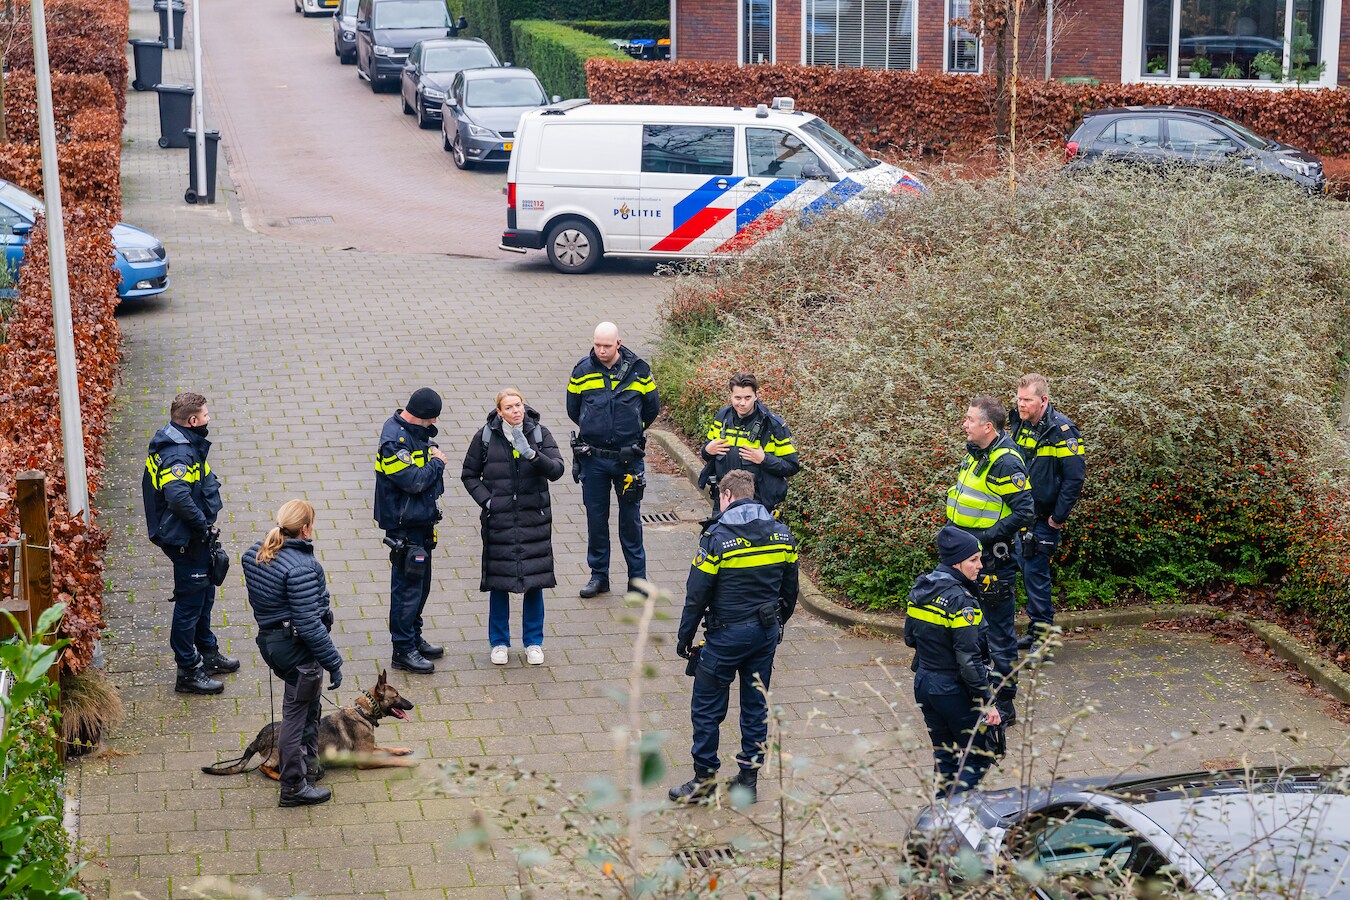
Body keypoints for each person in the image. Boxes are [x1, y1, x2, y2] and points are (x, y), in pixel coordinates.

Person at [669, 470, 799, 805]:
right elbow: (790, 590)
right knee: (756, 706)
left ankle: (704, 782)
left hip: (725, 636)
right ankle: (747, 781)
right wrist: (774, 625)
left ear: (726, 496)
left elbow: (697, 594)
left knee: (707, 708)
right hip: (765, 634)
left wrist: (685, 637)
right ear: (751, 494)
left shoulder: (717, 538)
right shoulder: (783, 535)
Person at [242, 500, 342, 808]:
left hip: (272, 644)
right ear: (306, 528)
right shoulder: (303, 567)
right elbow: (310, 625)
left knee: (309, 706)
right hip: (297, 651)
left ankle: (309, 766)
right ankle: (293, 787)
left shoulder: (255, 553)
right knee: (295, 719)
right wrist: (333, 663)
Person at [460, 389, 566, 667]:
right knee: (499, 582)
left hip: (534, 518)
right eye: (509, 407)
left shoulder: (539, 432)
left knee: (534, 582)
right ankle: (499, 643)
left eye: (518, 405)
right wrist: (488, 502)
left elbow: (556, 470)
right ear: (499, 412)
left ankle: (533, 642)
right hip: (500, 520)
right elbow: (469, 474)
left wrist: (532, 455)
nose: (516, 411)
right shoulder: (485, 436)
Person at [141, 391, 238, 695]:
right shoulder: (179, 454)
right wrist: (201, 526)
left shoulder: (180, 441)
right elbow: (178, 496)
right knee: (190, 603)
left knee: (205, 593)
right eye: (206, 415)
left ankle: (207, 653)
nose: (209, 419)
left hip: (193, 535)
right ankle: (188, 671)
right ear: (193, 420)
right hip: (186, 537)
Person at [945, 396, 1033, 725]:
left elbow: (1025, 511)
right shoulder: (977, 454)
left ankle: (1005, 705)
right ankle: (975, 693)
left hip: (992, 562)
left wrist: (983, 539)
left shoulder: (1004, 461)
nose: (964, 424)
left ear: (987, 426)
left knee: (999, 634)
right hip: (965, 558)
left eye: (969, 419)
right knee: (970, 628)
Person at [906, 526, 1002, 798]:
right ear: (955, 562)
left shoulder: (922, 587)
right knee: (979, 754)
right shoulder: (962, 602)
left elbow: (910, 637)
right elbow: (969, 660)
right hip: (952, 689)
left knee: (945, 754)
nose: (979, 566)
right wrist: (988, 702)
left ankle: (937, 813)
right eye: (973, 560)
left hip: (924, 682)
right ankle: (953, 812)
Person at [566, 321, 660, 598]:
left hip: (627, 459)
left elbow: (651, 409)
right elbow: (574, 409)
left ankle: (637, 580)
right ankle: (599, 577)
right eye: (597, 345)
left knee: (630, 521)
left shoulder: (640, 372)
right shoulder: (582, 371)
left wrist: (629, 431)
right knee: (596, 520)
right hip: (593, 458)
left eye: (607, 345)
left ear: (619, 343)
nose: (602, 350)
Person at [1009, 374, 1086, 650]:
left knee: (1037, 578)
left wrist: (1057, 519)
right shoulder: (1021, 426)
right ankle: (1035, 631)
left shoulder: (1062, 431)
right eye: (1018, 399)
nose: (1020, 404)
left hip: (1044, 520)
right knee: (1027, 576)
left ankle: (1042, 639)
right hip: (1020, 516)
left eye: (1026, 400)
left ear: (1043, 400)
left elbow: (1074, 479)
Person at [374, 388, 447, 674]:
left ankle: (414, 639)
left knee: (420, 587)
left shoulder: (411, 433)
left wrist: (429, 453)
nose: (434, 424)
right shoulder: (395, 441)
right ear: (419, 416)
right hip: (405, 528)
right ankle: (403, 650)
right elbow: (413, 481)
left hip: (420, 524)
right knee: (407, 589)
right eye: (431, 420)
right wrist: (437, 463)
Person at [697, 372, 801, 515]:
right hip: (724, 501)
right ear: (731, 396)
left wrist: (764, 459)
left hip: (758, 504)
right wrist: (707, 450)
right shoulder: (722, 418)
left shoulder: (773, 426)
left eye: (748, 397)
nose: (742, 403)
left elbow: (792, 466)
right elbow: (706, 454)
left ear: (756, 396)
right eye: (738, 398)